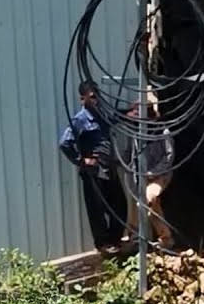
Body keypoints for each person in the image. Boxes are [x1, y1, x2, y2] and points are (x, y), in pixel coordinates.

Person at [59, 81, 129, 255]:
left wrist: (131, 112)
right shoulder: (80, 120)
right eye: (92, 97)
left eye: (97, 96)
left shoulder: (102, 115)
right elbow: (64, 143)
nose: (96, 100)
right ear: (82, 99)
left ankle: (115, 240)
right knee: (97, 209)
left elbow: (116, 117)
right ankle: (103, 245)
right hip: (94, 172)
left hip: (109, 168)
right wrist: (82, 160)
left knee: (120, 204)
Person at [126, 91, 176, 248]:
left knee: (149, 199)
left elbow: (169, 157)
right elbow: (132, 154)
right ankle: (164, 239)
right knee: (140, 204)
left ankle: (152, 237)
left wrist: (152, 173)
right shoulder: (136, 133)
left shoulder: (163, 132)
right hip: (140, 175)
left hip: (159, 175)